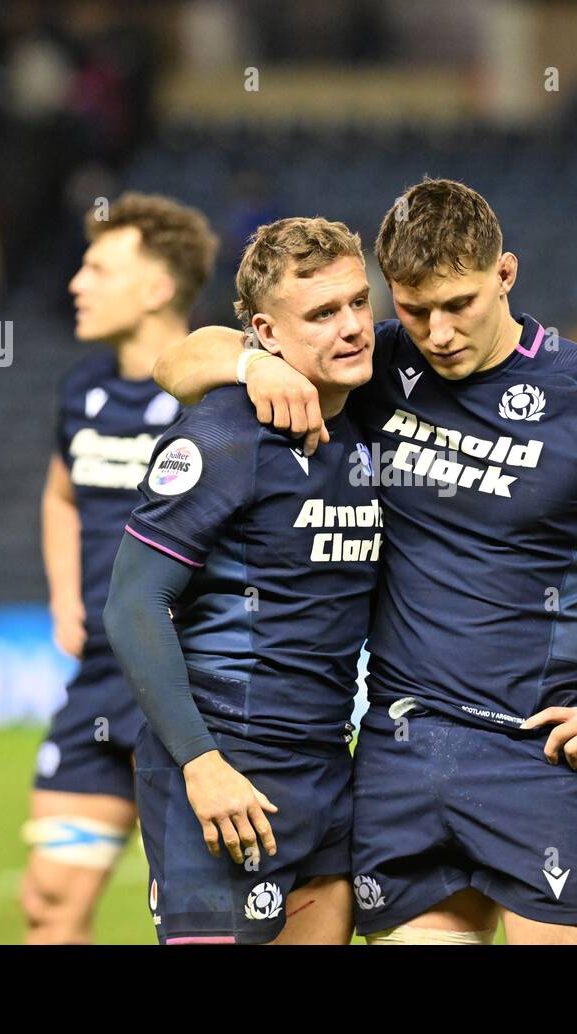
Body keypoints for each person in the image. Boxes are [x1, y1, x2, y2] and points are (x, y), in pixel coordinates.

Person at [153, 178, 577, 944]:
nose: (436, 333)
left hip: (540, 755)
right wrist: (250, 366)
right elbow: (178, 360)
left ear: (506, 275)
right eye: (412, 309)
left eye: (458, 304)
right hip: (400, 760)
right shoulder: (375, 369)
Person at [103, 217, 380, 944]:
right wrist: (201, 764)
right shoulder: (224, 436)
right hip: (226, 772)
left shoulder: (369, 420)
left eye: (358, 302)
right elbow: (134, 605)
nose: (352, 327)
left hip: (326, 772)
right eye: (322, 314)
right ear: (265, 330)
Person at [20, 193, 218, 944]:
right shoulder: (82, 391)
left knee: (196, 921)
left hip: (189, 688)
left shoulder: (219, 399)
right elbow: (60, 494)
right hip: (100, 681)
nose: (77, 281)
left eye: (99, 268)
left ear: (157, 289)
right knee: (48, 902)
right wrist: (65, 594)